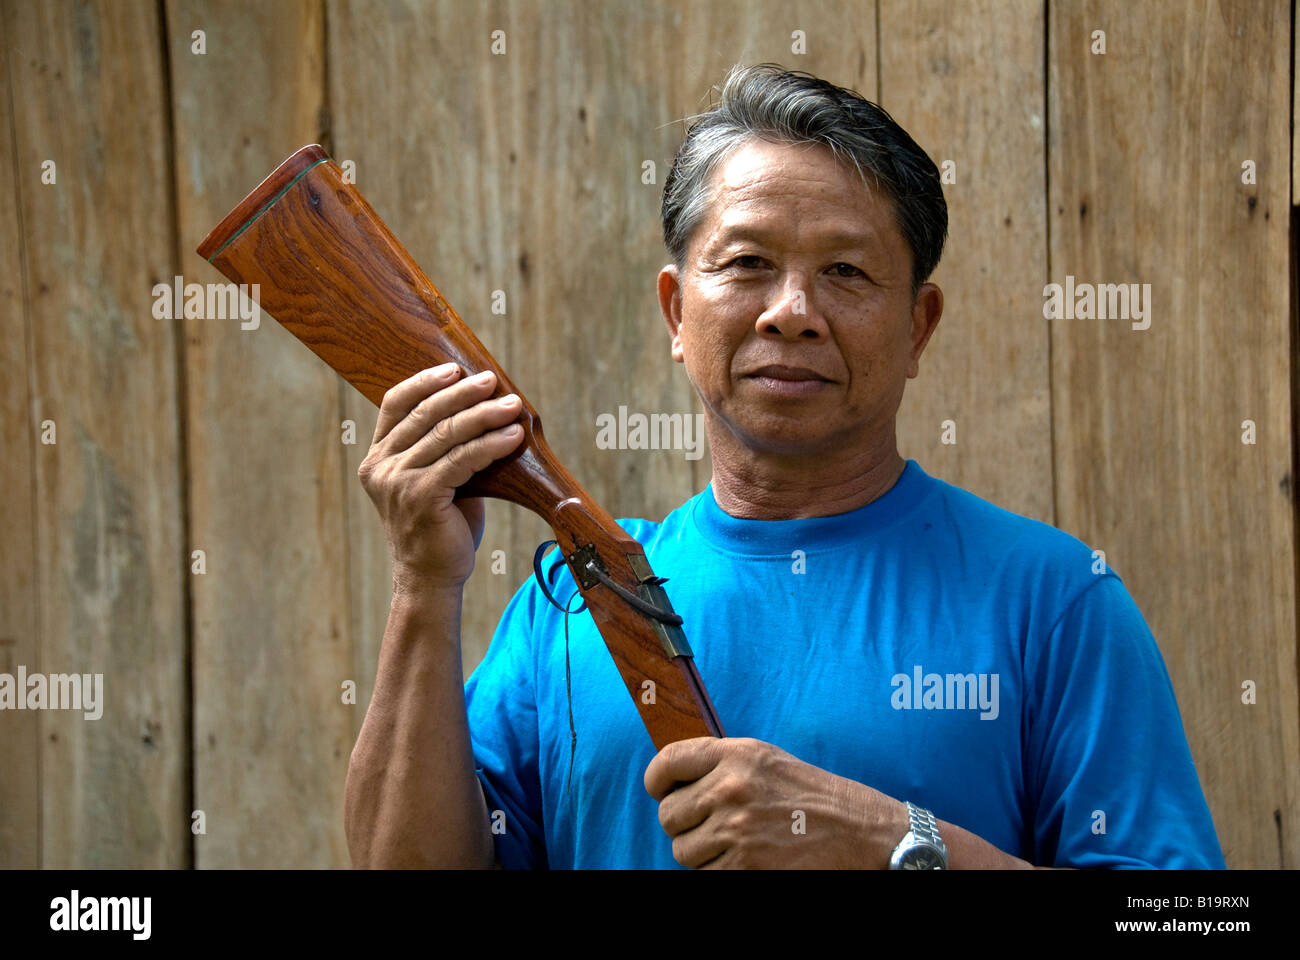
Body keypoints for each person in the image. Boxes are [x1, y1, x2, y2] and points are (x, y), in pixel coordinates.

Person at [344, 63, 1224, 869]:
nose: (792, 312)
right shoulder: (567, 609)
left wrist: (893, 842)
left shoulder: (1055, 600)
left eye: (845, 270)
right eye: (749, 264)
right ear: (676, 312)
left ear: (918, 328)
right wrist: (424, 586)